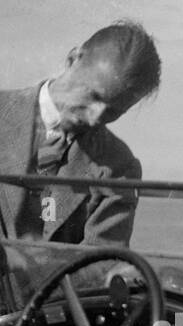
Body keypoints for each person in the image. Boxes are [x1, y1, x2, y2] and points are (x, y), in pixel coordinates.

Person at [0, 20, 161, 246]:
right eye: (93, 96)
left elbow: (102, 261)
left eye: (113, 111)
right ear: (72, 59)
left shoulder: (120, 167)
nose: (95, 118)